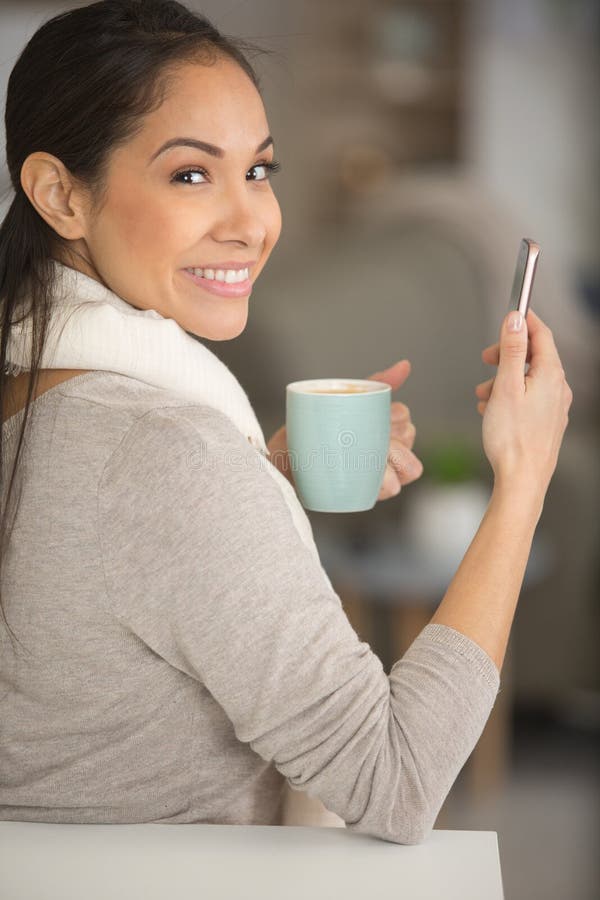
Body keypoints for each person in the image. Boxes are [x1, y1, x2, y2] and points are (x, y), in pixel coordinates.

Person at [0, 0, 571, 843]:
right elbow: (394, 780)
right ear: (59, 195)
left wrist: (254, 485)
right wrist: (523, 480)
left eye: (259, 170)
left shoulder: (34, 386)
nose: (250, 223)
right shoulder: (163, 455)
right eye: (191, 174)